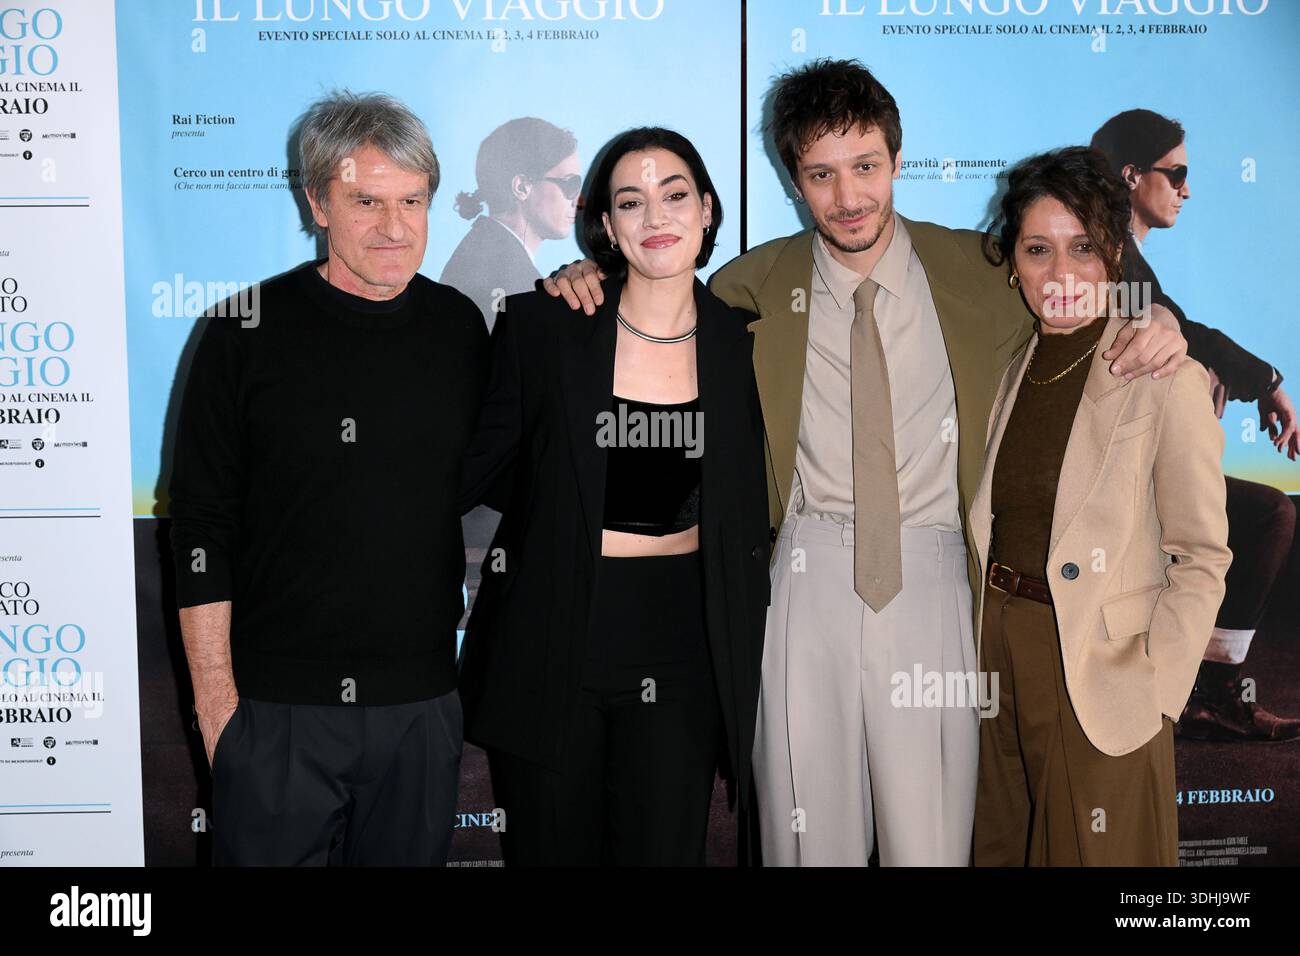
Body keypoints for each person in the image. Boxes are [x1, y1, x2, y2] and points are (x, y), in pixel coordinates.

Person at [543, 59, 1189, 866]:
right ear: (794, 180)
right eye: (820, 174)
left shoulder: (982, 269)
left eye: (865, 167)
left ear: (896, 160)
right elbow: (655, 288)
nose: (848, 197)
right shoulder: (754, 283)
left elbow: (1083, 282)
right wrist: (589, 273)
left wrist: (1155, 314)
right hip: (802, 584)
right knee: (804, 840)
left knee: (936, 841)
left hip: (937, 578)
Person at [169, 91, 488, 866]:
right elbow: (201, 526)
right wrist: (218, 711)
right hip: (276, 712)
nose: (394, 227)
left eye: (413, 200)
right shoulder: (241, 329)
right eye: (366, 201)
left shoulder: (459, 327)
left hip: (420, 705)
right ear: (316, 201)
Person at [456, 127, 770, 866]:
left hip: (686, 647)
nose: (656, 217)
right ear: (605, 225)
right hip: (551, 639)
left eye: (675, 195)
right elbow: (475, 470)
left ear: (708, 210)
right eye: (632, 202)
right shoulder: (545, 326)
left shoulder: (745, 341)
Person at [970, 146, 1231, 865]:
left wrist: (1154, 690)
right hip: (996, 655)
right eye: (1038, 249)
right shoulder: (1009, 369)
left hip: (1101, 669)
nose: (1061, 274)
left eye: (1083, 247)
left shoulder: (1163, 374)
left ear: (1115, 252)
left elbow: (1203, 556)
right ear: (1014, 260)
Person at [1091, 109, 1300, 741]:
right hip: (1104, 479)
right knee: (1268, 514)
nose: (1188, 189)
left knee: (1265, 512)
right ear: (1132, 176)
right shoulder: (1105, 252)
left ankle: (1200, 689)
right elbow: (1168, 323)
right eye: (1176, 174)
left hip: (1126, 466)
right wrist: (1255, 381)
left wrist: (1258, 380)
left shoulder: (1124, 256)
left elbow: (1178, 323)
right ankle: (1199, 689)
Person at [441, 117, 581, 331]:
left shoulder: (479, 253)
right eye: (570, 183)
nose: (578, 199)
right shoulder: (511, 279)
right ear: (522, 187)